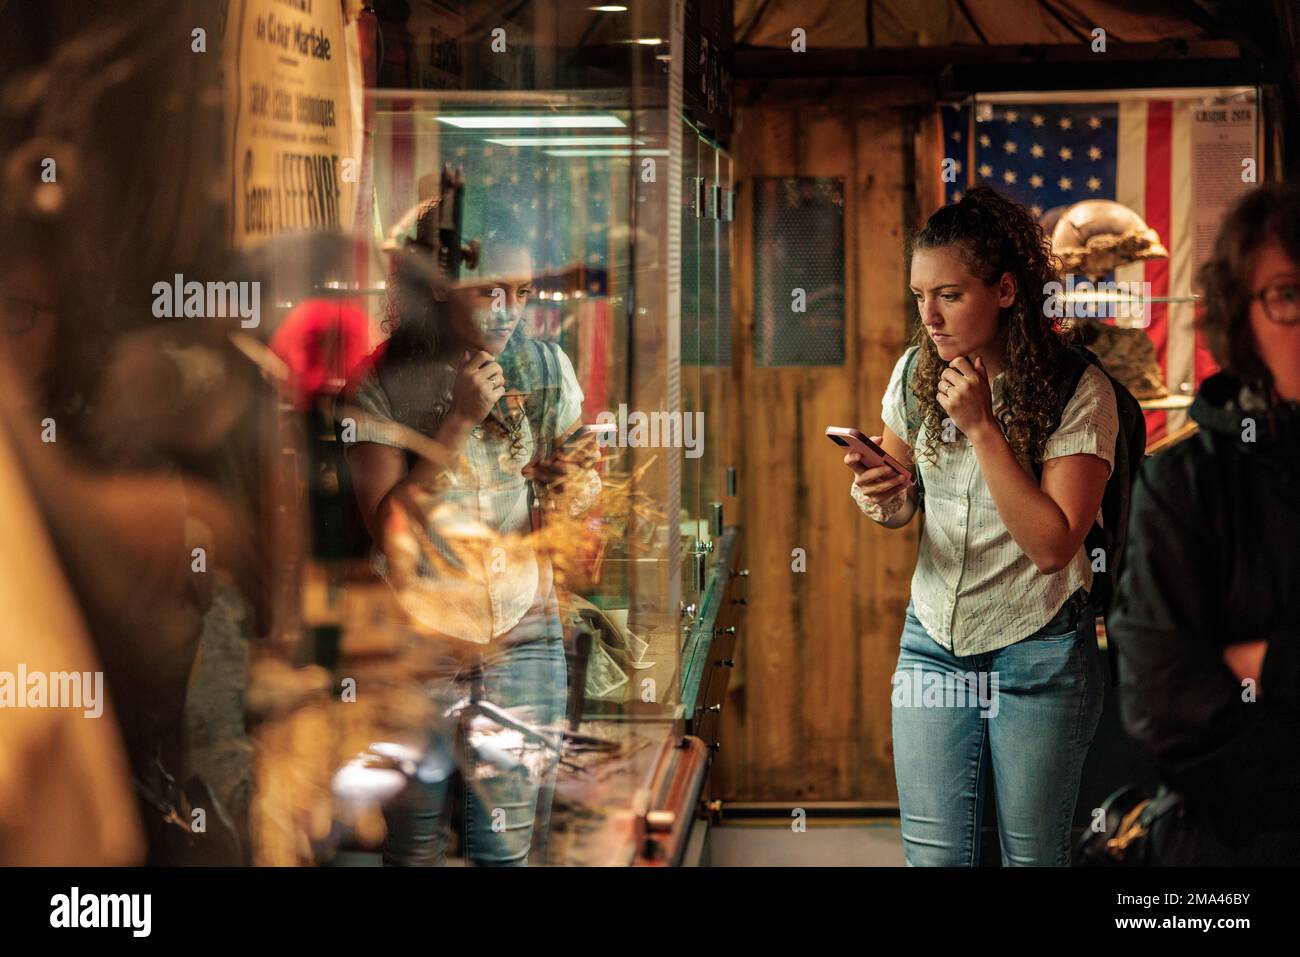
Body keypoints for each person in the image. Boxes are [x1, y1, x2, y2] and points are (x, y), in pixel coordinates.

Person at [846, 187, 1118, 866]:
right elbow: (906, 501)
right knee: (936, 859)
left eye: (949, 294)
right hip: (933, 642)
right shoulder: (916, 373)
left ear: (1004, 290)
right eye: (918, 297)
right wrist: (880, 490)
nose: (929, 317)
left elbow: (1054, 546)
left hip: (1042, 646)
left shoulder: (1076, 389)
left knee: (1033, 857)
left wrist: (981, 427)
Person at [346, 203, 599, 866]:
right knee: (414, 845)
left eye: (522, 292)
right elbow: (388, 531)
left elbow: (585, 493)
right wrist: (455, 426)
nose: (510, 309)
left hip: (522, 629)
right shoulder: (380, 384)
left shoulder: (543, 367)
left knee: (505, 846)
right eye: (491, 290)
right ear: (438, 284)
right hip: (415, 639)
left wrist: (575, 485)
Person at [1108, 182, 1300, 865]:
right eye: (1289, 295)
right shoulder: (1184, 484)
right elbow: (1169, 712)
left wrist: (1267, 663)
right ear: (1240, 317)